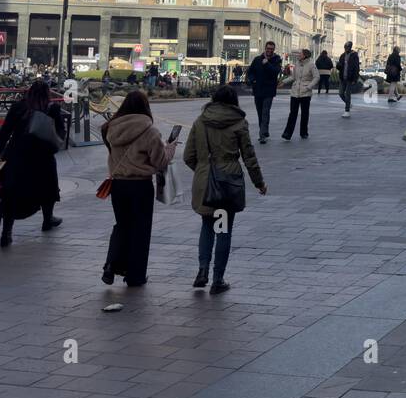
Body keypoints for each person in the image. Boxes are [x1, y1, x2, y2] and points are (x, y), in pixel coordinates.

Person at [183, 85, 267, 294]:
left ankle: (202, 270)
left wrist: (203, 171)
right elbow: (249, 156)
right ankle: (217, 278)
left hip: (205, 182)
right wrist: (259, 182)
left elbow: (188, 156)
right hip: (227, 183)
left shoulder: (200, 121)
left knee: (206, 226)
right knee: (223, 229)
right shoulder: (238, 122)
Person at [101, 91, 177, 287]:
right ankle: (135, 276)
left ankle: (111, 264)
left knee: (122, 226)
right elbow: (160, 162)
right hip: (140, 185)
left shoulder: (110, 129)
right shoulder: (150, 131)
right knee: (140, 230)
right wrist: (170, 148)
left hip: (117, 185)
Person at [0, 80, 65, 248]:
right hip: (42, 156)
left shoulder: (18, 107)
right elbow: (60, 132)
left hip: (16, 155)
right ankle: (48, 219)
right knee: (48, 188)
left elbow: (5, 133)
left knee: (10, 193)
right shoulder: (52, 108)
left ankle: (6, 233)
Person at [245, 40, 282, 143]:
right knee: (260, 112)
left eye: (271, 49)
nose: (269, 50)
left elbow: (275, 72)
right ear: (265, 48)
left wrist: (266, 64)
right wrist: (252, 80)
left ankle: (262, 135)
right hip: (258, 90)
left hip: (269, 90)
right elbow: (250, 71)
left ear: (274, 50)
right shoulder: (257, 59)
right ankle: (265, 131)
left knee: (265, 111)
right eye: (268, 48)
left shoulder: (277, 59)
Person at [283, 49, 319, 140]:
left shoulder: (311, 65)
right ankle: (287, 133)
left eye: (300, 54)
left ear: (305, 55)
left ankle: (304, 132)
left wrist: (309, 87)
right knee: (292, 113)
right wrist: (283, 82)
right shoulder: (297, 64)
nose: (299, 55)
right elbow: (293, 77)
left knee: (304, 113)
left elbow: (316, 77)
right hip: (295, 92)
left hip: (305, 93)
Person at [336, 41, 360, 117]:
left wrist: (355, 79)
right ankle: (348, 104)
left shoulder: (354, 55)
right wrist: (338, 66)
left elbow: (356, 68)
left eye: (347, 47)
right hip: (342, 77)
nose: (346, 49)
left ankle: (347, 110)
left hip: (350, 78)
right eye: (345, 47)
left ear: (350, 47)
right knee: (341, 93)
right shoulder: (342, 56)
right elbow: (339, 67)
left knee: (348, 94)